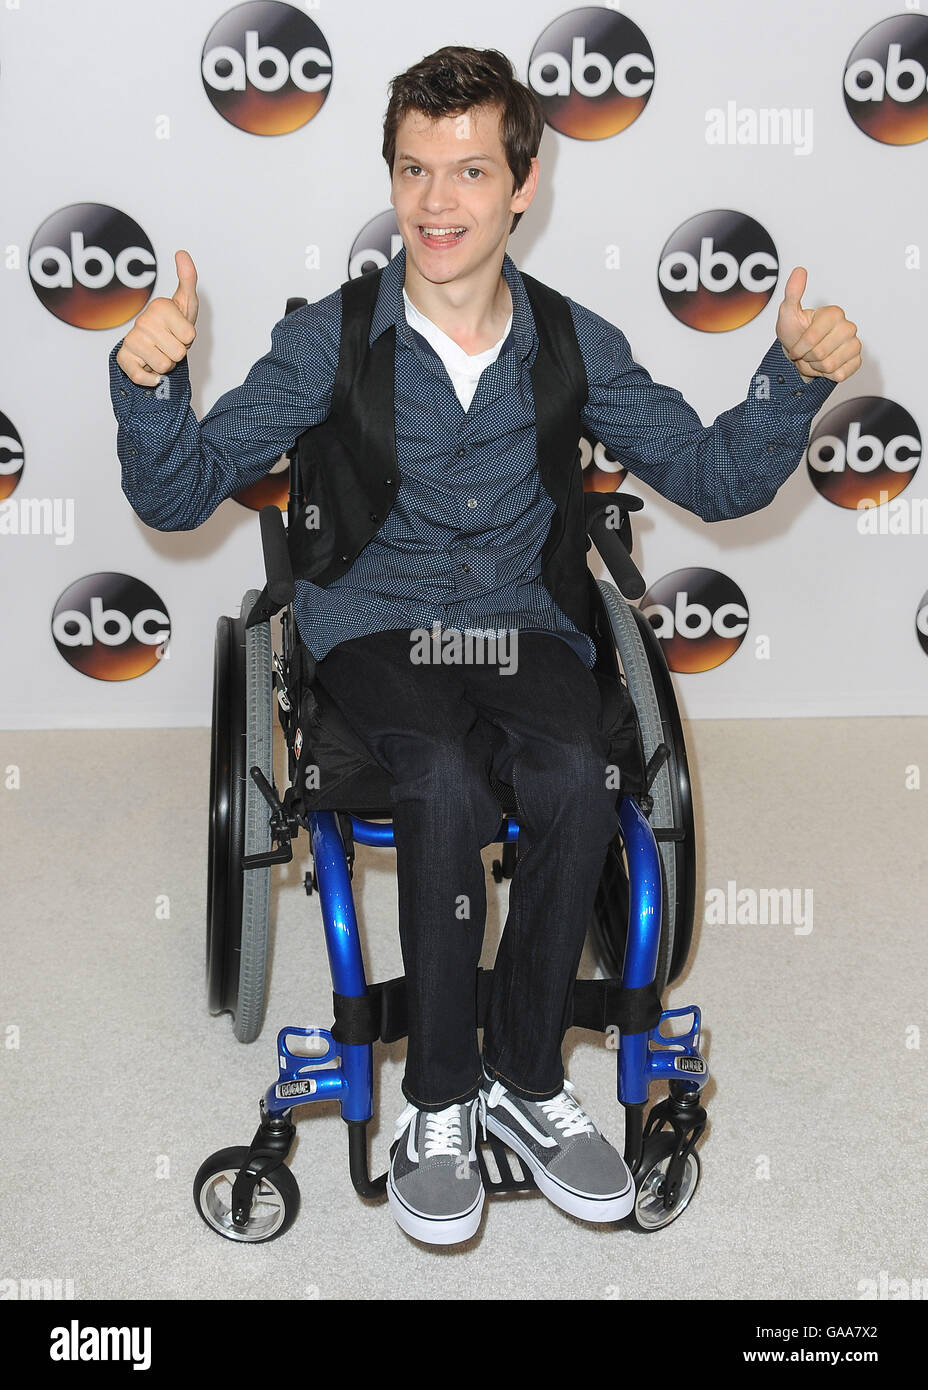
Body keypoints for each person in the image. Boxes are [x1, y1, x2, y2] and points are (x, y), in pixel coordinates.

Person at [109, 46, 861, 1247]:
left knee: (575, 769)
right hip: (376, 622)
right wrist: (147, 389)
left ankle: (526, 1077)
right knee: (443, 777)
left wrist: (788, 380)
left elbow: (714, 479)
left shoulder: (571, 342)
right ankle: (439, 1099)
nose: (436, 202)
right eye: (414, 170)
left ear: (524, 183)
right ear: (393, 178)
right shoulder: (333, 342)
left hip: (522, 625)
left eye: (467, 171)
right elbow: (186, 490)